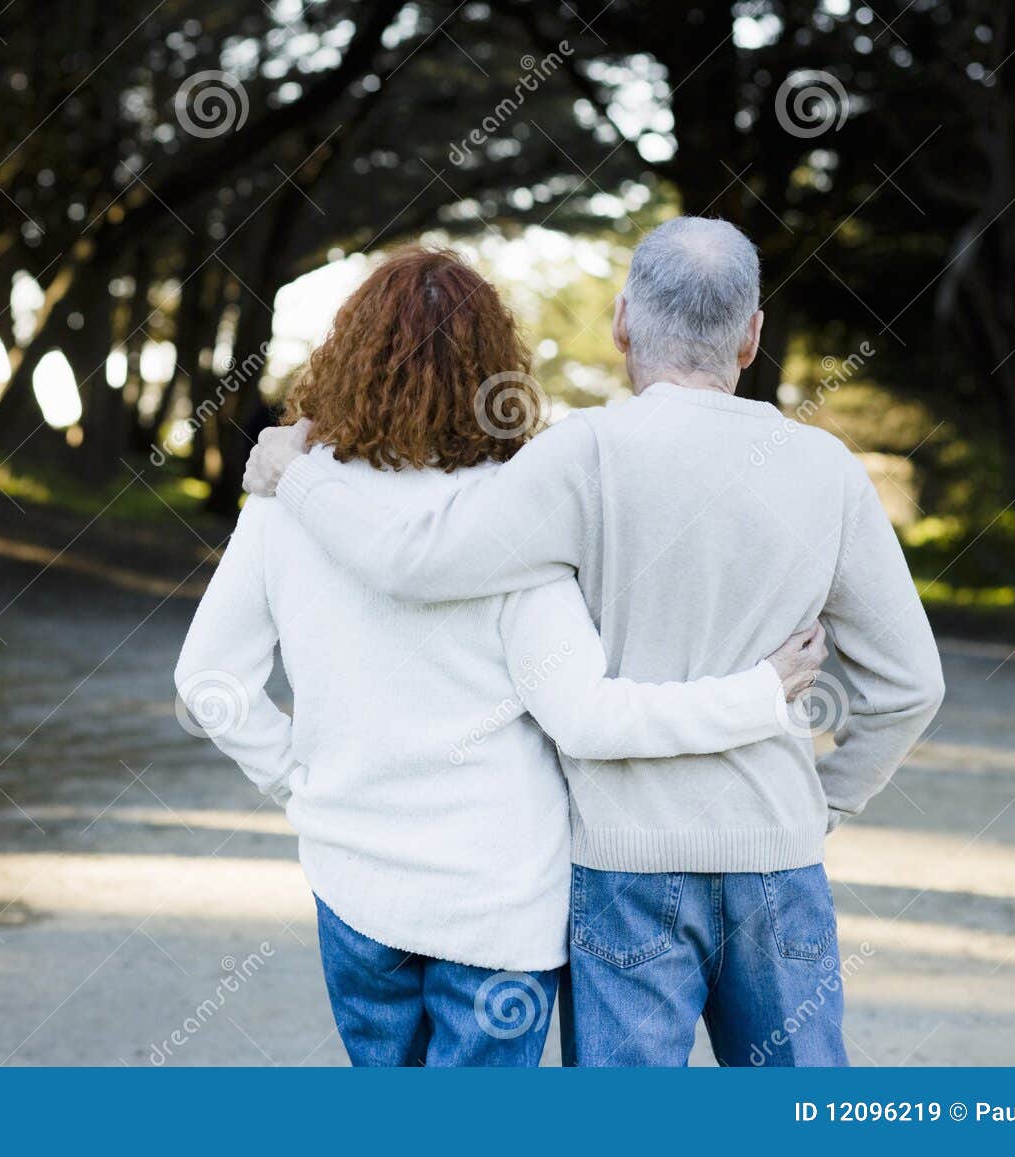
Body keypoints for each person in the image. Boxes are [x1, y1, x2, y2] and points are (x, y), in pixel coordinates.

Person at [242, 219, 946, 1067]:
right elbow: (911, 685)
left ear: (621, 322)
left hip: (624, 870)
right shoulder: (826, 469)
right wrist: (820, 803)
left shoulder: (582, 454)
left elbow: (416, 562)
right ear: (752, 335)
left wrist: (299, 476)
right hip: (776, 855)